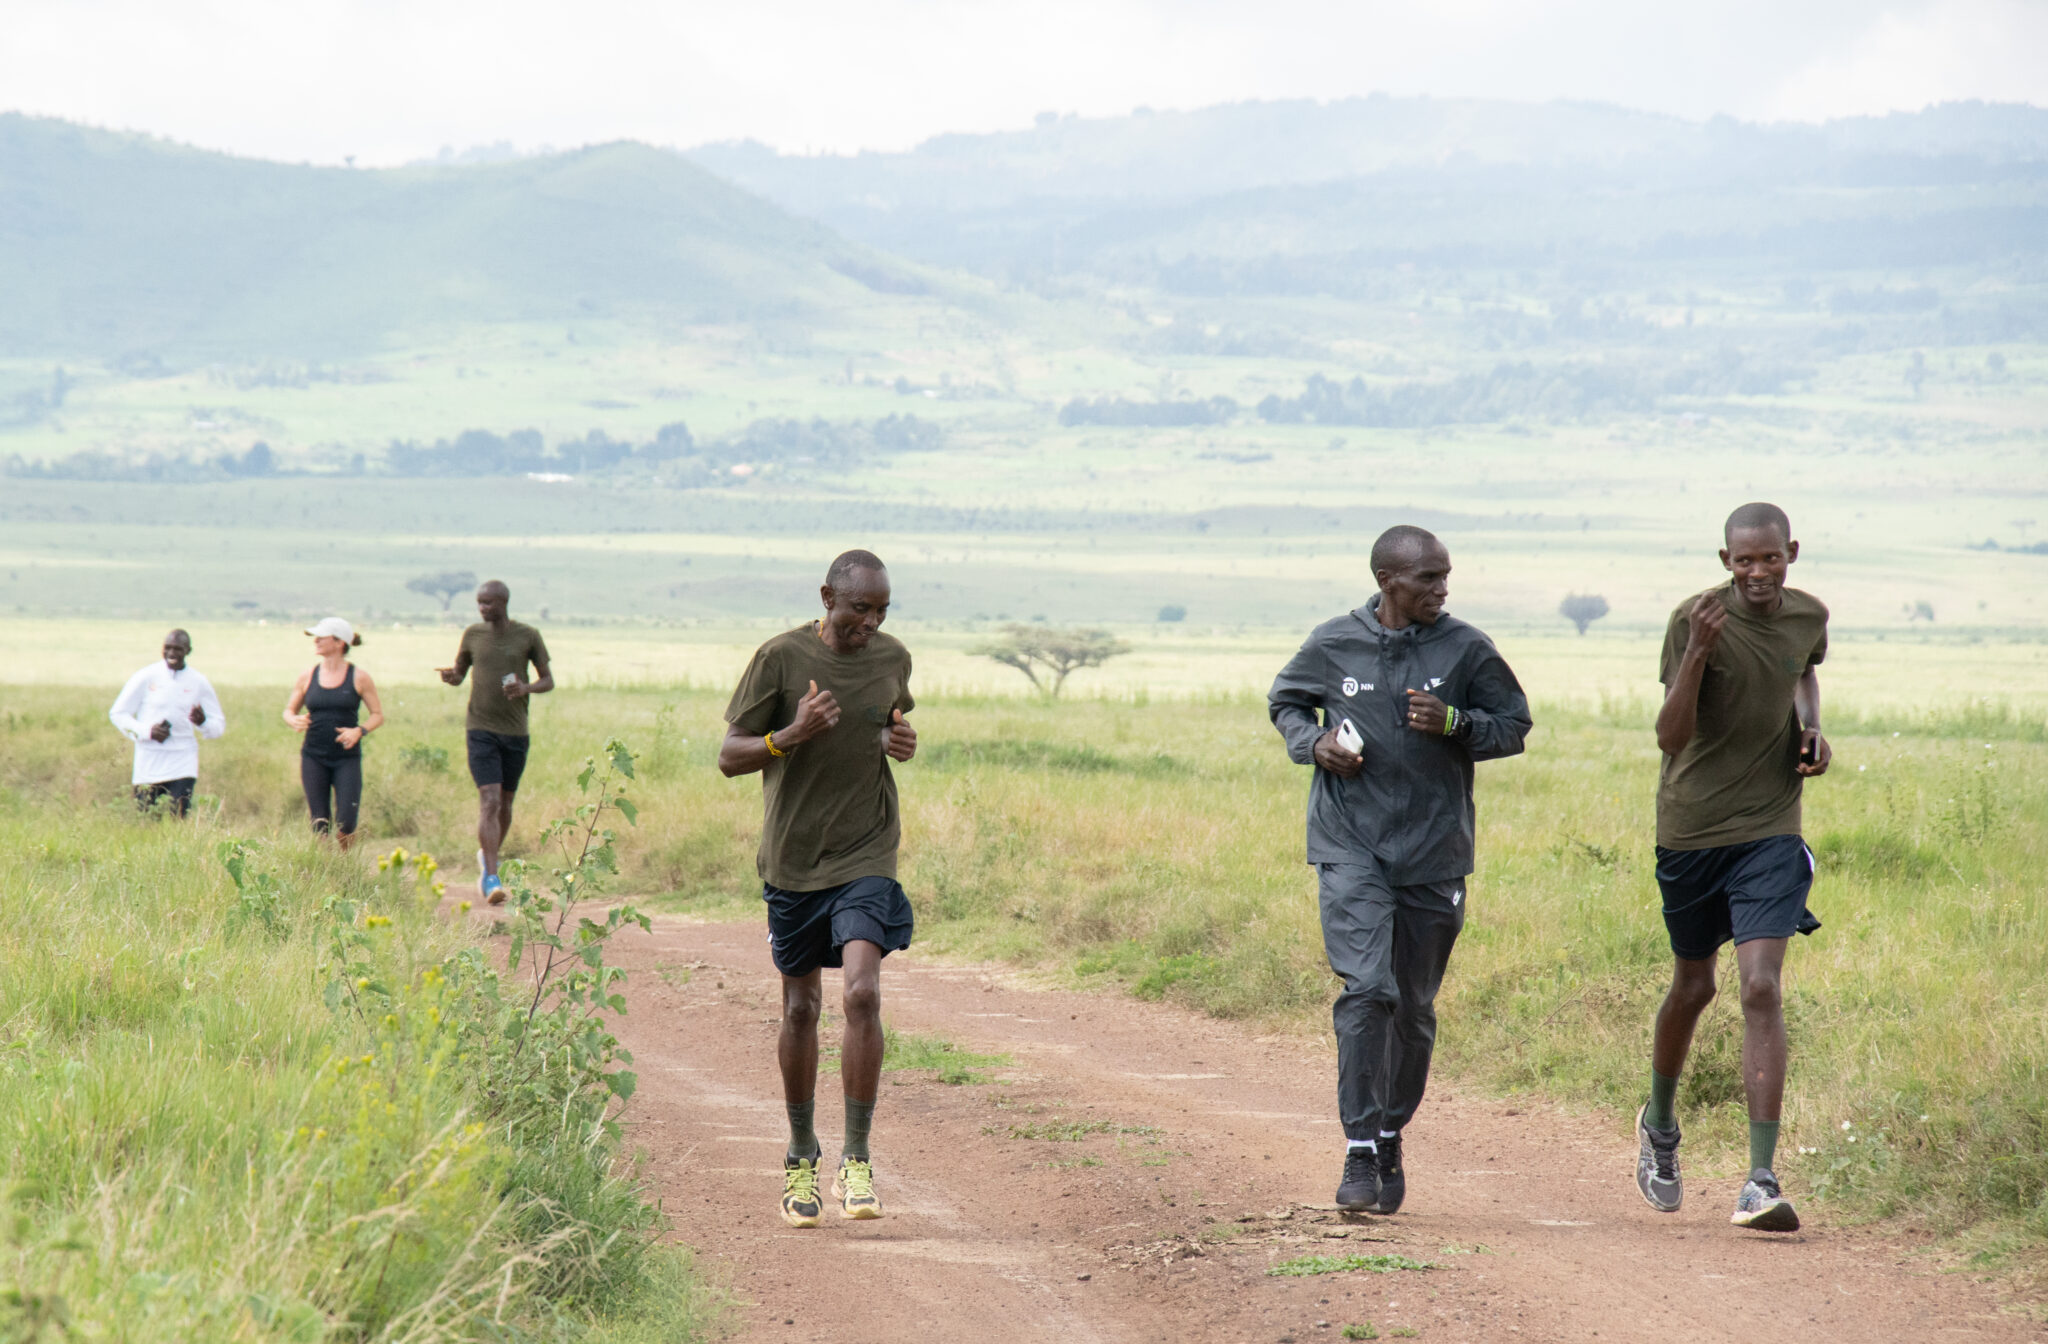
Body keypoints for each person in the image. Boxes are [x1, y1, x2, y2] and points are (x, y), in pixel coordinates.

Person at [1269, 525, 1531, 1216]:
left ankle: (1390, 1132)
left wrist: (1456, 723)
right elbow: (1286, 702)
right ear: (1389, 582)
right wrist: (1315, 743)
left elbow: (1514, 726)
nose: (1442, 589)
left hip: (1435, 852)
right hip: (1350, 844)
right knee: (1369, 991)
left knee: (1413, 1010)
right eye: (1428, 579)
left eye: (1446, 577)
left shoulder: (1466, 647)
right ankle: (1358, 1148)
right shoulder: (1334, 642)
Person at [1635, 502, 1830, 1233]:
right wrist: (1695, 655)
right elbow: (1670, 734)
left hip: (1771, 828)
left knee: (1760, 987)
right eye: (1743, 561)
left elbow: (1802, 674)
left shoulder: (1808, 616)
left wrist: (1813, 730)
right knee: (1693, 986)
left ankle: (1759, 1178)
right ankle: (1659, 1125)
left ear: (1791, 554)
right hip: (1690, 830)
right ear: (1725, 561)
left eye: (1769, 558)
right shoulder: (1695, 618)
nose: (1757, 572)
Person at [718, 549, 917, 1228]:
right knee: (801, 1009)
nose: (872, 621)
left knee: (862, 992)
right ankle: (801, 1152)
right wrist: (791, 735)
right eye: (862, 607)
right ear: (828, 596)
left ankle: (856, 1160)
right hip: (794, 859)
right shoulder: (778, 658)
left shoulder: (893, 657)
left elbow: (889, 718)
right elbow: (729, 756)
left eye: (883, 610)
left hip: (867, 849)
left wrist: (900, 738)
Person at [437, 580, 552, 903]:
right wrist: (451, 677)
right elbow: (460, 674)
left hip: (515, 732)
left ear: (503, 602)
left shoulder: (527, 636)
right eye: (479, 603)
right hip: (480, 729)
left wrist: (525, 689)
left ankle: (488, 855)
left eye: (488, 603)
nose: (483, 608)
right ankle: (491, 877)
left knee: (505, 803)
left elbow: (548, 680)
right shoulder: (472, 635)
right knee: (489, 800)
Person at [284, 616, 385, 849]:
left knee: (347, 823)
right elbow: (289, 710)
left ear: (340, 642)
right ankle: (324, 873)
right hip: (313, 756)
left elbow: (378, 715)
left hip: (346, 758)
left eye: (322, 637)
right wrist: (293, 720)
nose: (316, 641)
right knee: (319, 821)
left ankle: (344, 865)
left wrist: (359, 731)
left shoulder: (359, 677)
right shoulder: (307, 675)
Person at [109, 628, 227, 816]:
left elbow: (218, 726)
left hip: (183, 759)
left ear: (188, 651)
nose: (172, 654)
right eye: (168, 648)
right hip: (149, 760)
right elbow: (118, 713)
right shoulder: (146, 676)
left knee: (178, 814)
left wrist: (203, 722)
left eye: (178, 649)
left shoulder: (198, 682)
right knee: (146, 817)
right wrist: (147, 731)